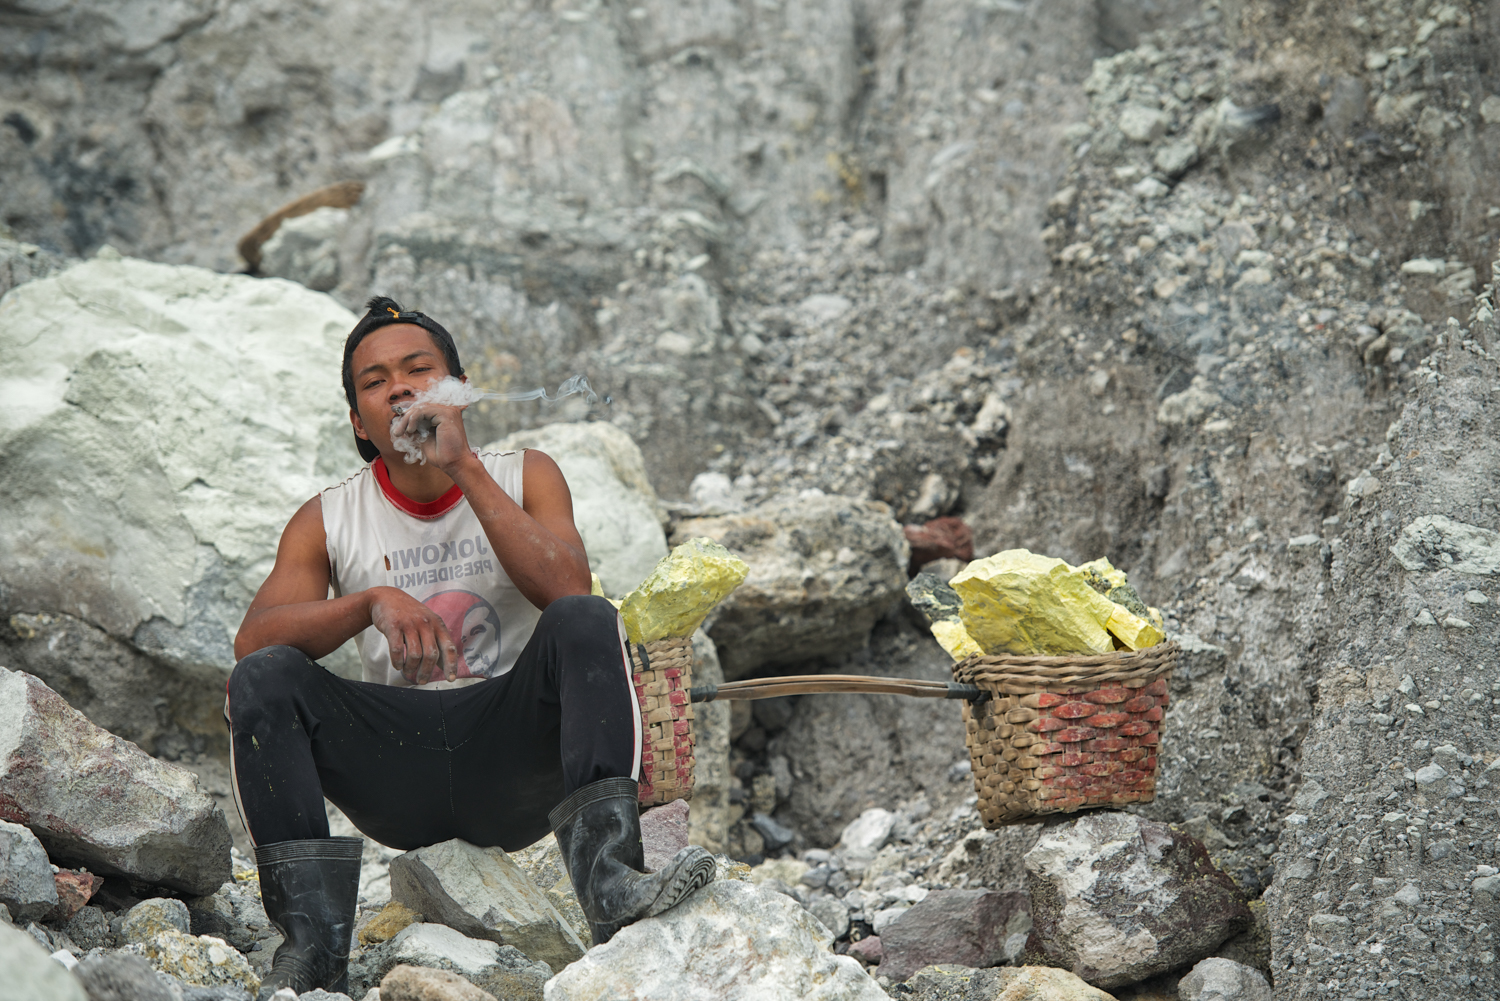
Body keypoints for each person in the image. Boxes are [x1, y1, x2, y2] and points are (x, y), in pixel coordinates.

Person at [225, 297, 714, 999]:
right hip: (395, 766)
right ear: (358, 423)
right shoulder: (327, 517)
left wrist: (465, 469)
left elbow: (569, 586)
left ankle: (612, 884)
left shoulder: (525, 474)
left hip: (514, 756)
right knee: (267, 676)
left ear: (458, 390)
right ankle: (312, 948)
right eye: (375, 380)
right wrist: (367, 603)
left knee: (585, 617)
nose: (399, 386)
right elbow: (252, 641)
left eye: (419, 369)